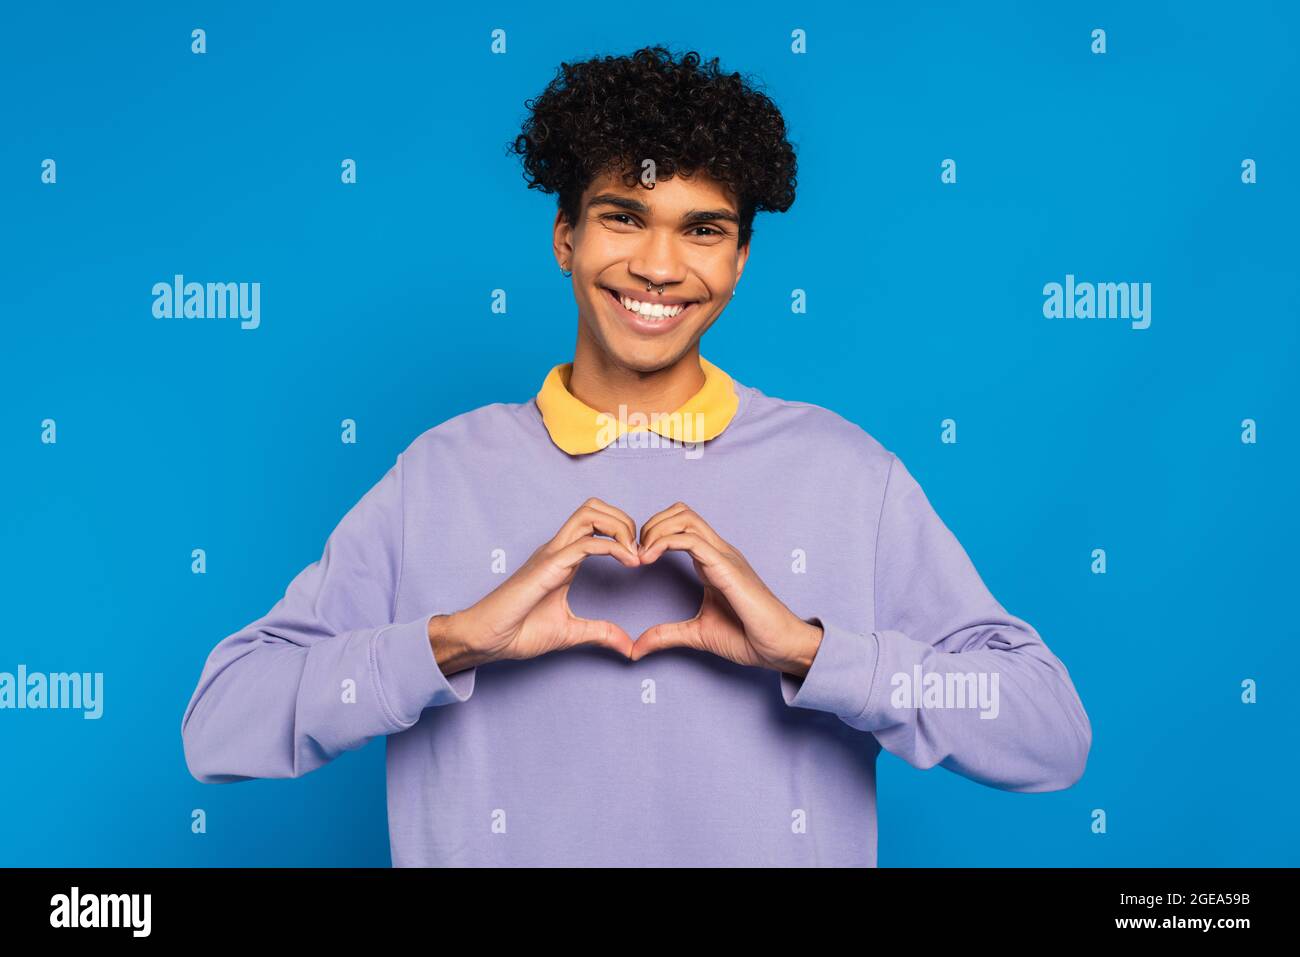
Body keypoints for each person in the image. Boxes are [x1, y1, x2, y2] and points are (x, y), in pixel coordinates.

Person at [181, 45, 1091, 867]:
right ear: (566, 238)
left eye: (702, 229)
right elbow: (220, 723)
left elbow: (1049, 733)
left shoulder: (849, 474)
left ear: (739, 260)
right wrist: (453, 641)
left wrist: (812, 654)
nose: (660, 266)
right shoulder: (440, 474)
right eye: (624, 216)